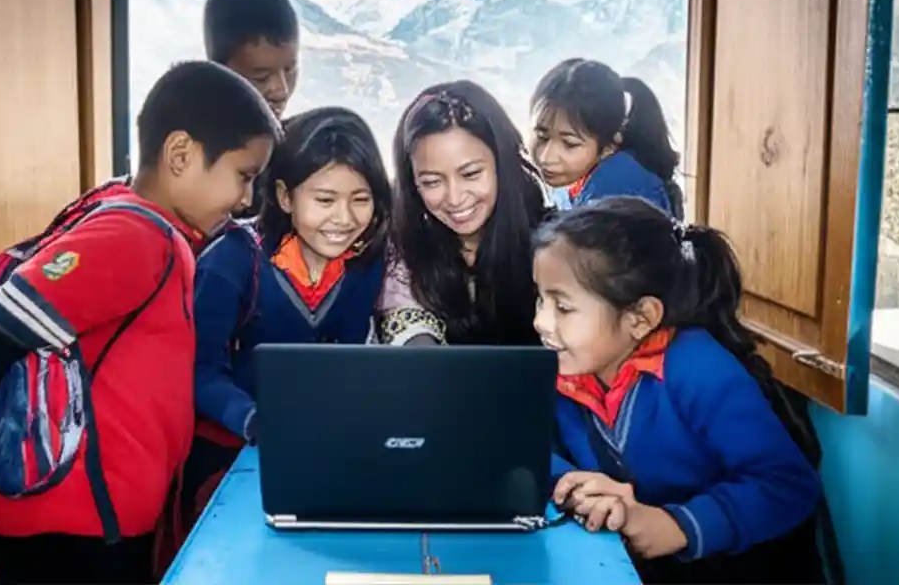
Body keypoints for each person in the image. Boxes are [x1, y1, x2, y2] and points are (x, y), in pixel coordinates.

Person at [0, 61, 280, 584]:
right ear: (181, 155)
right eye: (244, 176)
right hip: (67, 530)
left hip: (98, 522)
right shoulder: (133, 238)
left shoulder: (160, 233)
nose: (245, 199)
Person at [533, 197, 825, 583]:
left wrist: (677, 525)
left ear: (641, 318)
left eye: (563, 307)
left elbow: (787, 485)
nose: (540, 322)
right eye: (540, 298)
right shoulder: (569, 367)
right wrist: (575, 485)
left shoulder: (697, 368)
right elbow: (536, 447)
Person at [177, 108, 391, 539]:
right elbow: (199, 371)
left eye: (361, 199)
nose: (344, 218)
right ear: (285, 196)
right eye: (325, 200)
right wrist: (256, 420)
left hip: (322, 453)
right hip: (231, 454)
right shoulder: (232, 260)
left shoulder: (367, 265)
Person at [377, 81, 549, 346]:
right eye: (433, 182)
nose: (455, 198)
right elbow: (409, 330)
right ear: (412, 184)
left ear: (502, 164)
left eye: (470, 174)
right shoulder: (402, 251)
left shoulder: (553, 241)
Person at [530, 59, 683, 218]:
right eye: (542, 137)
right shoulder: (576, 177)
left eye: (569, 144)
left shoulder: (618, 192)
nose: (546, 157)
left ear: (609, 146)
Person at [204, 0, 301, 219]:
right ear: (219, 72)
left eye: (290, 69)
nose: (281, 90)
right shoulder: (200, 161)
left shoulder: (295, 148)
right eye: (261, 77)